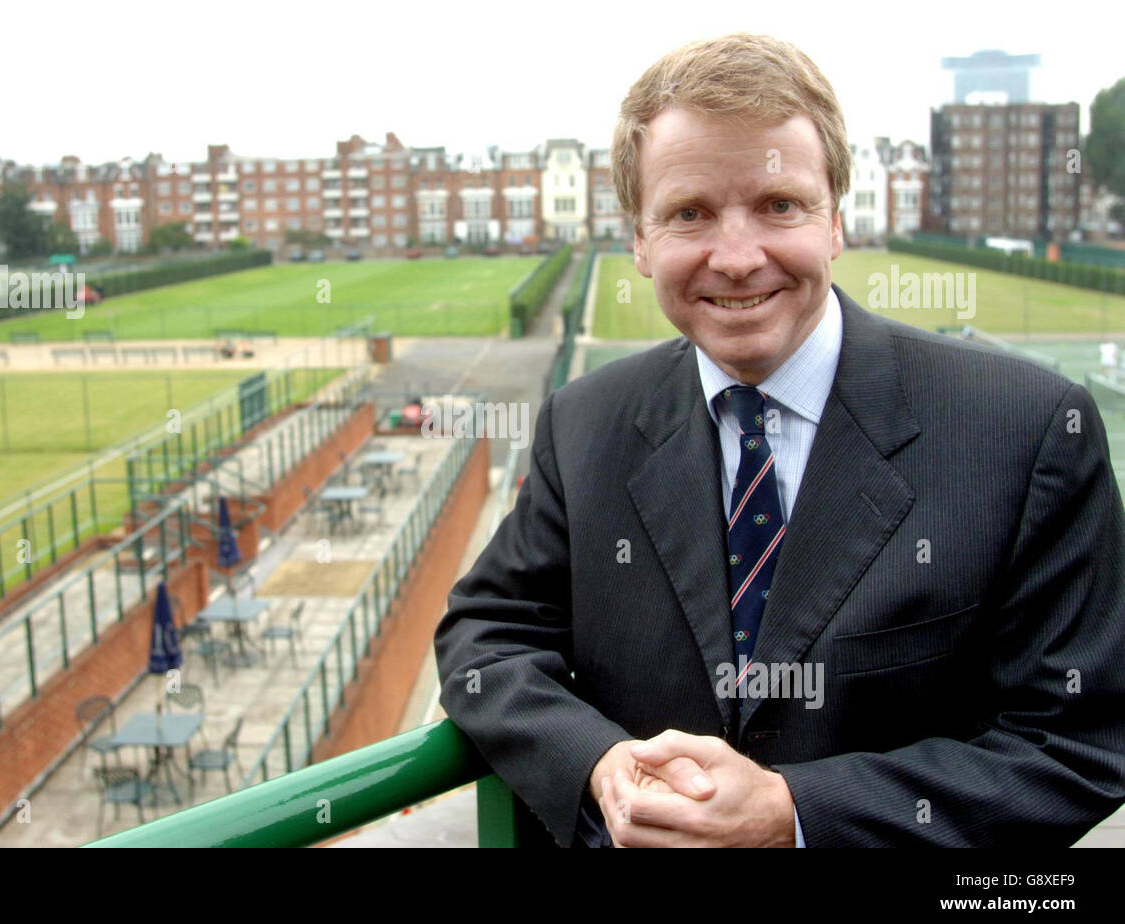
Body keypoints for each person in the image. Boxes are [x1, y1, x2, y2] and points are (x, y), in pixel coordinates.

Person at [433, 33, 1125, 847]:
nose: (736, 258)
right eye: (689, 213)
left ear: (836, 219)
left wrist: (794, 815)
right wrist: (598, 762)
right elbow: (485, 634)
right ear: (640, 242)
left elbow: (1077, 744)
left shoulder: (1026, 430)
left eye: (778, 206)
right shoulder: (583, 421)